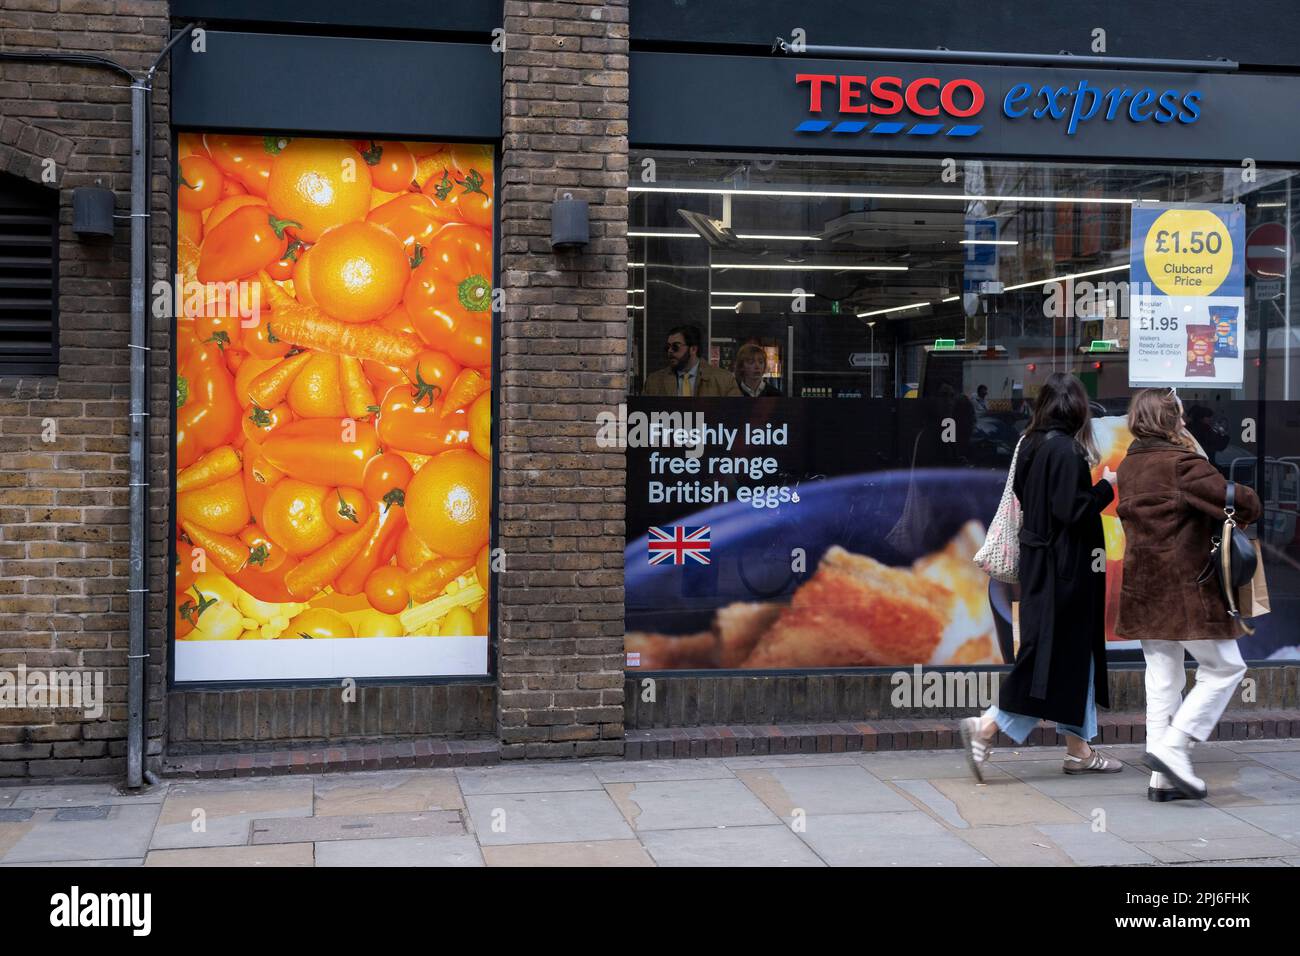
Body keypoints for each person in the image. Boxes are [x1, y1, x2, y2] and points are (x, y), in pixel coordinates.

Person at [960, 372, 1120, 780]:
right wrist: (1106, 488)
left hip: (1039, 564)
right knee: (1046, 657)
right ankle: (987, 727)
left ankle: (1079, 751)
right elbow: (1074, 511)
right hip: (1064, 570)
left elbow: (1026, 497)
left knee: (1069, 656)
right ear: (1079, 410)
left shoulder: (1029, 444)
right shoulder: (1066, 452)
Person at [1116, 388, 1261, 801]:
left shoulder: (1130, 466)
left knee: (1163, 679)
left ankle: (1161, 780)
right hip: (1185, 589)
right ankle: (1175, 747)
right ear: (1168, 420)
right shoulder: (1181, 465)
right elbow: (1238, 501)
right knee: (1226, 668)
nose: (1183, 422)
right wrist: (1249, 500)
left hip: (1144, 588)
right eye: (1177, 416)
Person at [642, 325, 741, 397]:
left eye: (675, 346)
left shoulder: (724, 380)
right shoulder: (654, 382)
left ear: (693, 349)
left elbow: (735, 415)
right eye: (667, 347)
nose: (670, 351)